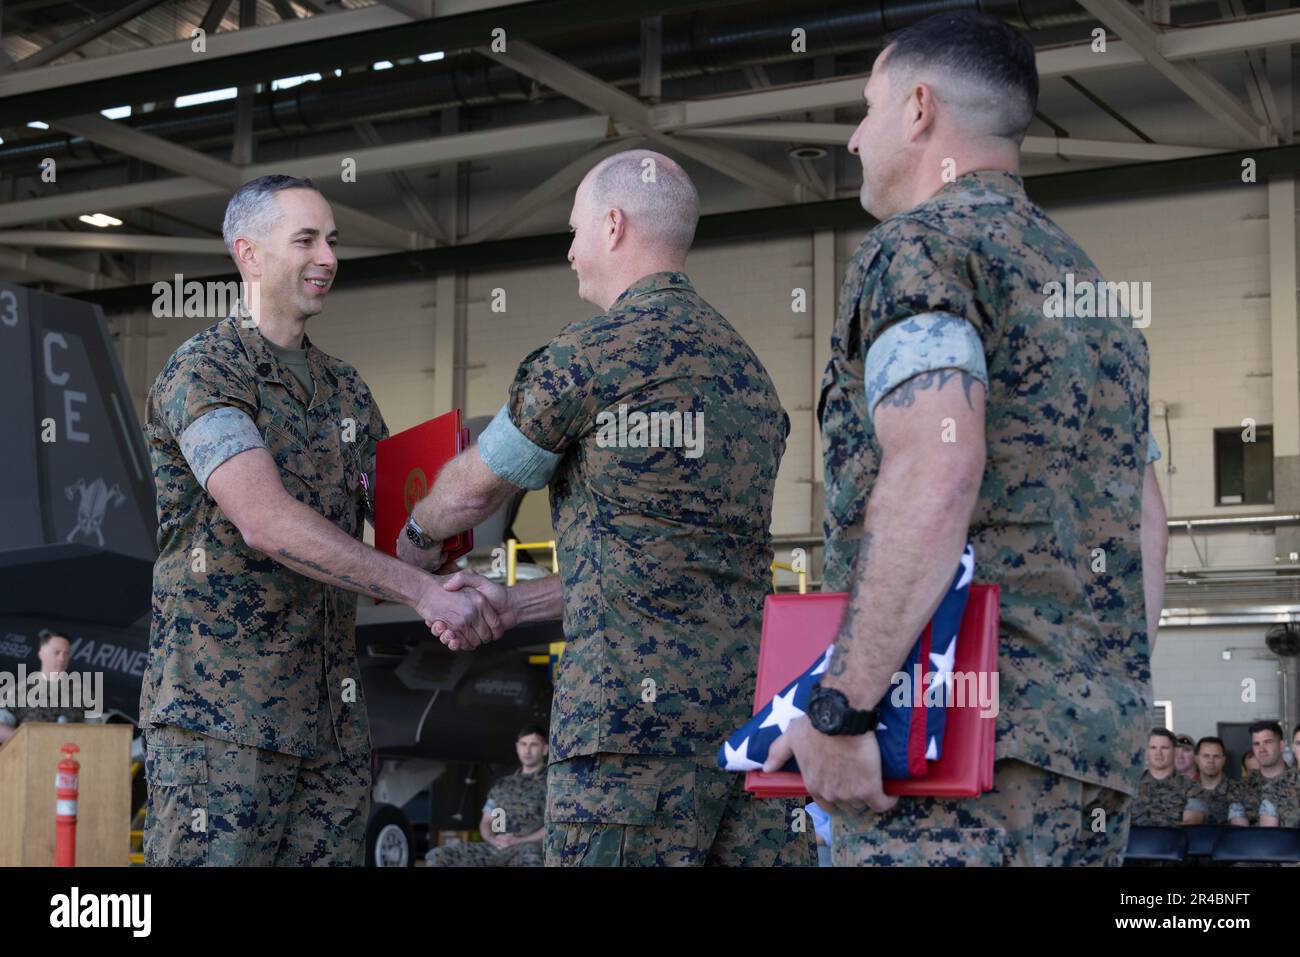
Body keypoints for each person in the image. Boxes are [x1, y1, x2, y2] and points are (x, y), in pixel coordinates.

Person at [762, 10, 1163, 866]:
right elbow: (1145, 522)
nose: (853, 137)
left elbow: (938, 461)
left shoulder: (919, 251)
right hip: (1085, 761)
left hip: (947, 761)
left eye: (865, 109)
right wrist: (1094, 693)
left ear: (917, 109)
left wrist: (843, 705)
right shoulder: (1095, 297)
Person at [396, 149, 815, 867]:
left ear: (614, 226)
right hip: (753, 730)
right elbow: (661, 565)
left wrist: (414, 544)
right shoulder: (750, 375)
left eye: (575, 230)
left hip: (626, 735)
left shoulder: (589, 357)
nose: (570, 251)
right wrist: (513, 604)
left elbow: (474, 489)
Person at [141, 174, 502, 867]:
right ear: (248, 254)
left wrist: (455, 572)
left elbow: (407, 530)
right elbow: (265, 521)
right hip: (222, 724)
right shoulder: (206, 372)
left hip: (331, 725)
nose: (328, 256)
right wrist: (422, 592)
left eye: (332, 240)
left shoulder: (344, 389)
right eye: (305, 239)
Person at [426, 725, 548, 867]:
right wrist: (493, 839)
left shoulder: (552, 784)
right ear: (517, 747)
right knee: (438, 856)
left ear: (545, 749)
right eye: (523, 744)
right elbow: (486, 822)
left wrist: (519, 841)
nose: (527, 750)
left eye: (534, 745)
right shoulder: (503, 784)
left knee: (532, 858)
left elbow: (552, 827)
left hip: (528, 848)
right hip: (495, 847)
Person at [0, 629, 88, 743]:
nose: (62, 658)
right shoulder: (19, 691)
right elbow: (1, 728)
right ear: (41, 654)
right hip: (31, 756)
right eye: (56, 652)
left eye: (66, 653)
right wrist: (30, 741)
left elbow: (98, 731)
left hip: (72, 757)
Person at [1230, 721, 1297, 825]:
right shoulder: (1242, 787)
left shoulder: (1296, 781)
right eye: (1256, 744)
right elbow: (1239, 834)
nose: (1261, 749)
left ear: (1281, 745)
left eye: (1268, 742)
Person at [1130, 729, 1196, 827]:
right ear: (1146, 751)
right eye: (1153, 748)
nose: (1158, 753)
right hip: (1135, 841)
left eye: (1164, 748)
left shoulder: (1192, 787)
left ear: (1174, 751)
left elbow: (1192, 823)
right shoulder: (1129, 785)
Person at [1183, 737, 1240, 825]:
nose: (1211, 761)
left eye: (1216, 756)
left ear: (1224, 760)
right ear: (1197, 759)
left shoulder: (1238, 790)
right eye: (1206, 756)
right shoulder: (1183, 791)